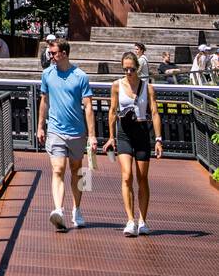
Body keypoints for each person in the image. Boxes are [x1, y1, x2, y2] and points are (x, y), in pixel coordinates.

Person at [37, 38, 97, 232]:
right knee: (58, 169)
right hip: (55, 129)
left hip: (77, 131)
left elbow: (88, 106)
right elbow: (44, 101)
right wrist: (40, 127)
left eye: (53, 53)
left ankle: (77, 209)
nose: (51, 56)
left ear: (64, 53)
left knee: (78, 170)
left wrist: (92, 135)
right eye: (50, 53)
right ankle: (58, 210)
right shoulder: (47, 74)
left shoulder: (81, 76)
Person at [103, 50, 163, 236]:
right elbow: (112, 111)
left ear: (138, 68)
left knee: (142, 178)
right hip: (124, 133)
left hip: (142, 132)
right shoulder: (116, 86)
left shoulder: (148, 87)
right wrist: (111, 136)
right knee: (127, 176)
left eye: (132, 69)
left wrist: (158, 140)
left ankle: (142, 220)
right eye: (125, 69)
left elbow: (154, 113)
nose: (128, 72)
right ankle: (130, 220)